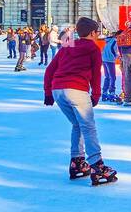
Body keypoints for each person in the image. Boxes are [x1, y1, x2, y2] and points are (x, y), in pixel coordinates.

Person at [44, 16, 117, 185]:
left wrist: (48, 93)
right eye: (97, 31)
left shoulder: (68, 45)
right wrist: (96, 95)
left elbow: (50, 70)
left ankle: (77, 162)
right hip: (76, 90)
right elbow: (96, 74)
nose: (98, 34)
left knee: (77, 124)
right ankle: (97, 166)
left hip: (58, 90)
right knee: (88, 127)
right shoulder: (92, 48)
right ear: (92, 33)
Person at [100, 31, 120, 103]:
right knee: (112, 77)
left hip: (104, 59)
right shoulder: (115, 41)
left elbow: (105, 49)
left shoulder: (109, 40)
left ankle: (104, 93)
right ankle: (112, 92)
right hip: (109, 60)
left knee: (107, 77)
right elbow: (112, 49)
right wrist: (115, 56)